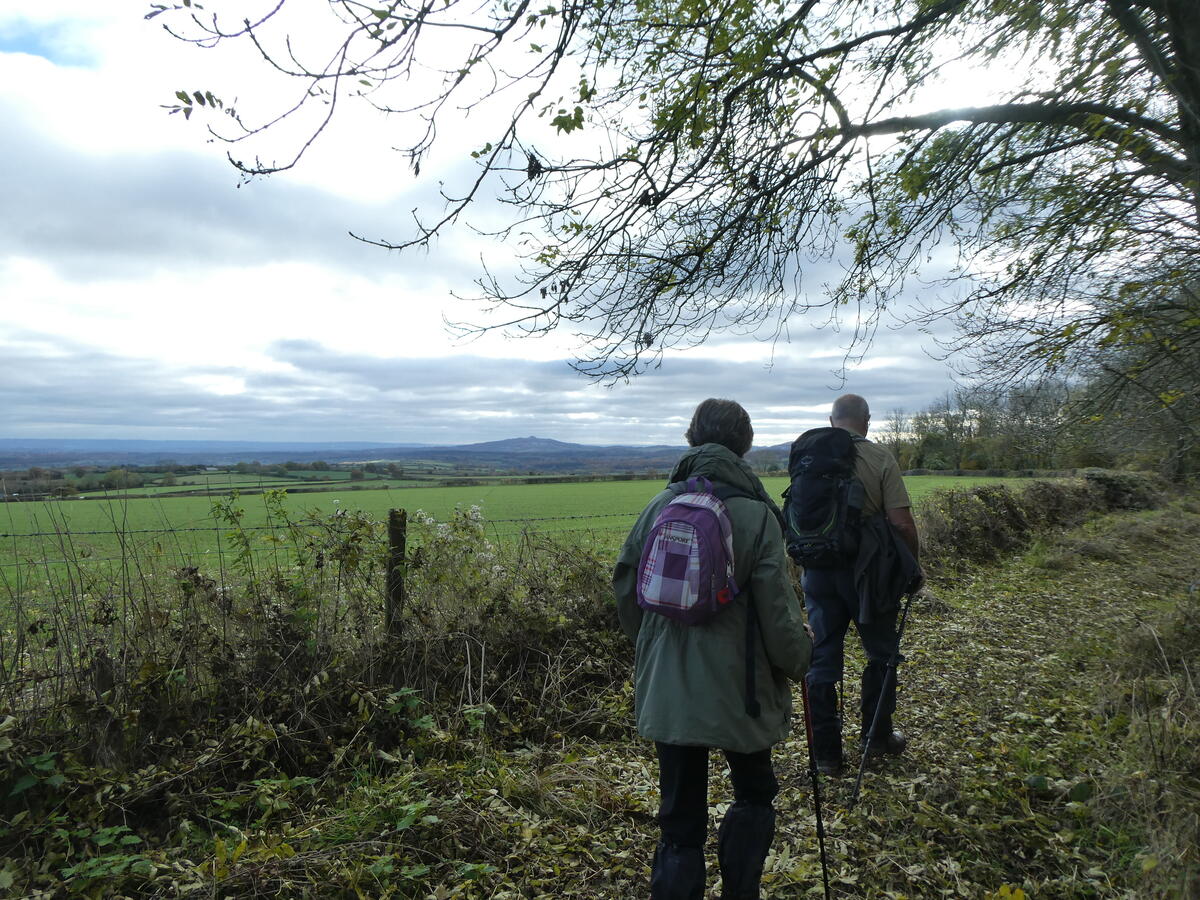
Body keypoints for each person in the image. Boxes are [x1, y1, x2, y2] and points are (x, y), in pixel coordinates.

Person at [613, 398, 813, 900]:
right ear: (743, 447)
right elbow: (778, 612)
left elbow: (624, 585)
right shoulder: (756, 515)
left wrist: (652, 649)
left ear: (691, 439)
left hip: (669, 686)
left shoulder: (659, 506)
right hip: (739, 688)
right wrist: (801, 660)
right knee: (755, 792)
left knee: (679, 818)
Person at [802, 393, 923, 777]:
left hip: (818, 570)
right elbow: (902, 524)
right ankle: (876, 737)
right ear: (866, 420)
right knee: (881, 653)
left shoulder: (808, 456)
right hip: (869, 573)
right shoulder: (879, 457)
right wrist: (912, 570)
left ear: (831, 418)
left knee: (821, 658)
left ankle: (826, 755)